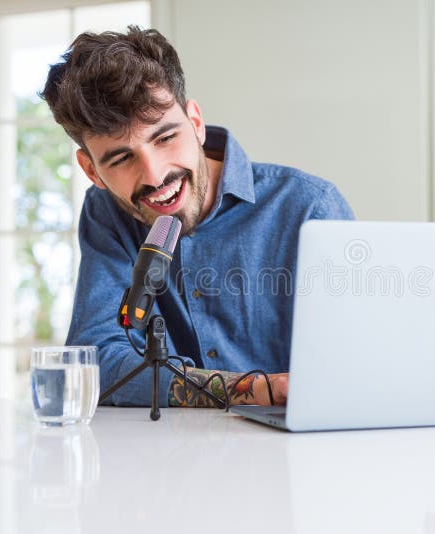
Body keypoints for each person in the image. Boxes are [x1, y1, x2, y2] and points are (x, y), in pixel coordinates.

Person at [40, 26, 354, 409]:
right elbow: (96, 361)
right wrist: (252, 390)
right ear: (92, 171)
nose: (155, 176)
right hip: (171, 459)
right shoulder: (105, 212)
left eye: (165, 138)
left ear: (196, 122)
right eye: (121, 159)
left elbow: (354, 371)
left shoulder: (311, 208)